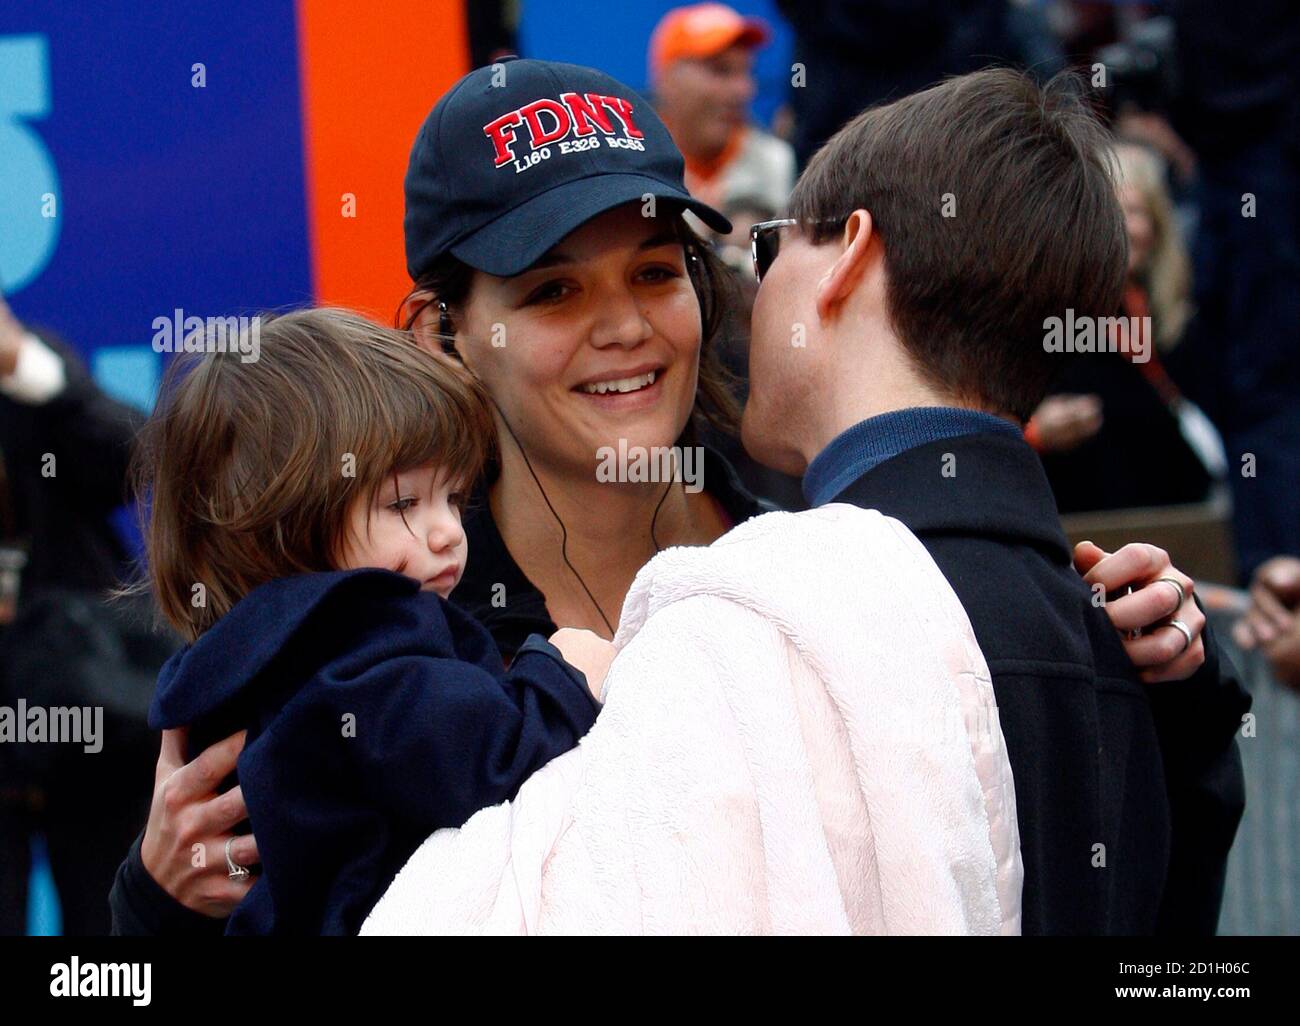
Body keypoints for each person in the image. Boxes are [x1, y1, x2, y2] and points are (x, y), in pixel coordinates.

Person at [110, 58, 1219, 935]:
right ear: (442, 331)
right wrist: (154, 903)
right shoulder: (358, 624)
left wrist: (1154, 696)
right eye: (552, 290)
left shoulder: (836, 559)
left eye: (652, 270)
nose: (625, 325)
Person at [740, 68, 1250, 933]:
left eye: (769, 246)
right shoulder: (1147, 658)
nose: (753, 289)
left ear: (851, 257)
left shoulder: (756, 620)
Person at [129, 308, 607, 934]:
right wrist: (562, 676)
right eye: (403, 503)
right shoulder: (363, 643)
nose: (448, 533)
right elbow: (490, 763)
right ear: (280, 525)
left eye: (454, 498)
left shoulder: (257, 659)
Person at [0, 295, 171, 936]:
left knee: (106, 929)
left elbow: (133, 457)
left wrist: (25, 370)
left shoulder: (31, 376)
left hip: (82, 706)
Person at [1027, 141, 1222, 511]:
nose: (1126, 227)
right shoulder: (1047, 316)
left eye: (1135, 210)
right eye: (1112, 211)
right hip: (1084, 524)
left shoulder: (1176, 314)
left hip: (1179, 522)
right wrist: (1036, 433)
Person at [649, 3, 795, 223]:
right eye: (721, 70)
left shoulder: (774, 162)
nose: (743, 90)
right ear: (668, 80)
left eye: (747, 71)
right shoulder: (631, 165)